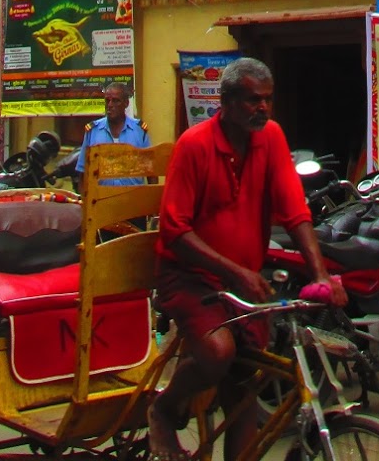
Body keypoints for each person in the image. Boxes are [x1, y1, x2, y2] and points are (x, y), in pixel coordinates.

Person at [148, 57, 346, 461]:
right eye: (253, 100)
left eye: (268, 99)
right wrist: (236, 272)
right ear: (226, 101)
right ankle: (163, 409)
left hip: (242, 279)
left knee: (245, 381)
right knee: (219, 352)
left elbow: (295, 212)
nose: (263, 108)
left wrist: (321, 276)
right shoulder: (195, 145)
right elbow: (175, 230)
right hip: (189, 277)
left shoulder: (271, 138)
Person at [75, 84, 150, 188]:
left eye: (115, 101)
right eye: (107, 101)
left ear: (126, 103)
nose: (110, 105)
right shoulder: (93, 131)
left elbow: (151, 170)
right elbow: (82, 171)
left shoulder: (139, 131)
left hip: (132, 196)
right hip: (101, 196)